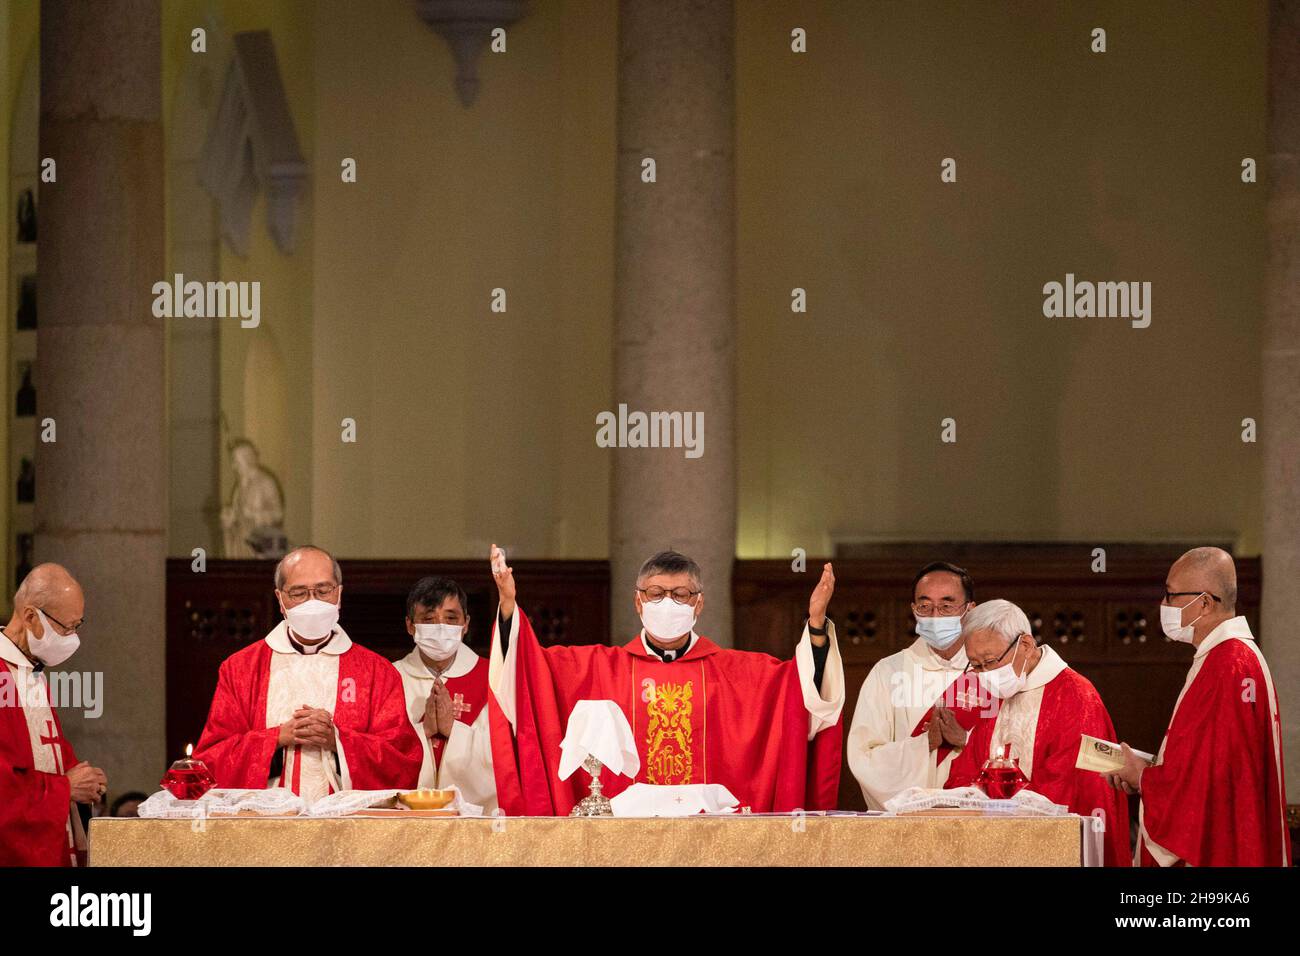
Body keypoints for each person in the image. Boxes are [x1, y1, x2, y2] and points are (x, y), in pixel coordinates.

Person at [488, 545, 844, 814]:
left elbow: (799, 693)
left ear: (699, 604)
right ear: (639, 602)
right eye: (656, 594)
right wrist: (508, 607)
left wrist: (815, 626)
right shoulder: (597, 669)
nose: (668, 603)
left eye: (680, 595)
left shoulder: (738, 674)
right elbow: (528, 676)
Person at [194, 546, 422, 803]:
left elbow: (404, 761)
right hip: (264, 824)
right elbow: (211, 761)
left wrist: (338, 740)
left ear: (339, 594)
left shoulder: (376, 672)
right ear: (280, 599)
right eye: (299, 593)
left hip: (346, 825)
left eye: (323, 591)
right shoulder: (241, 669)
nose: (312, 602)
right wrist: (277, 738)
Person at [1107, 547, 1289, 866]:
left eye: (1171, 594)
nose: (1163, 605)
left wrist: (1143, 777)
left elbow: (1213, 785)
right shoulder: (1229, 658)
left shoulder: (1227, 666)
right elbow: (1209, 764)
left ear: (1204, 602)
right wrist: (1148, 765)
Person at [946, 599, 1131, 866]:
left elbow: (1072, 790)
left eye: (989, 661)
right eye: (975, 665)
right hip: (992, 847)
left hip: (1052, 848)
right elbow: (967, 770)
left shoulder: (1076, 696)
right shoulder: (995, 694)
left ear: (1025, 645)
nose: (984, 674)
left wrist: (997, 802)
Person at [848, 561, 979, 809]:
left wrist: (966, 740)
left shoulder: (990, 672)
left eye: (947, 606)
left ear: (970, 610)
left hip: (978, 822)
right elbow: (864, 757)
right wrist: (924, 744)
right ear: (913, 609)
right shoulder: (888, 672)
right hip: (909, 825)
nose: (935, 616)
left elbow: (1018, 752)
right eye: (925, 606)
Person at [0, 564, 104, 865]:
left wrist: (83, 778)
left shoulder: (29, 672)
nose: (72, 637)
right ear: (31, 616)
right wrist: (65, 788)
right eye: (66, 627)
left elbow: (45, 749)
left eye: (77, 626)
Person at [394, 576, 496, 810]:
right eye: (428, 619)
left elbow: (507, 757)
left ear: (466, 624)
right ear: (410, 625)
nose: (441, 627)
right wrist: (425, 730)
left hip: (475, 823)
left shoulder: (492, 679)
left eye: (451, 618)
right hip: (406, 821)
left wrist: (453, 730)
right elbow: (377, 756)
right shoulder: (391, 677)